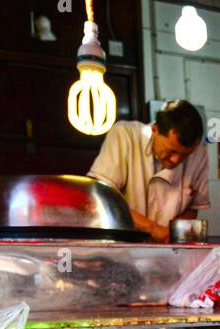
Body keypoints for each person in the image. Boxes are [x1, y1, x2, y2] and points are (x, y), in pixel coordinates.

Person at [87, 100, 209, 241]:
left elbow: (192, 208)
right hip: (123, 246)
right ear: (154, 130)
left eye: (185, 155)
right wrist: (153, 229)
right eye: (171, 151)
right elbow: (102, 198)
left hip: (168, 252)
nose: (176, 160)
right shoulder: (125, 134)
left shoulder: (200, 154)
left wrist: (173, 234)